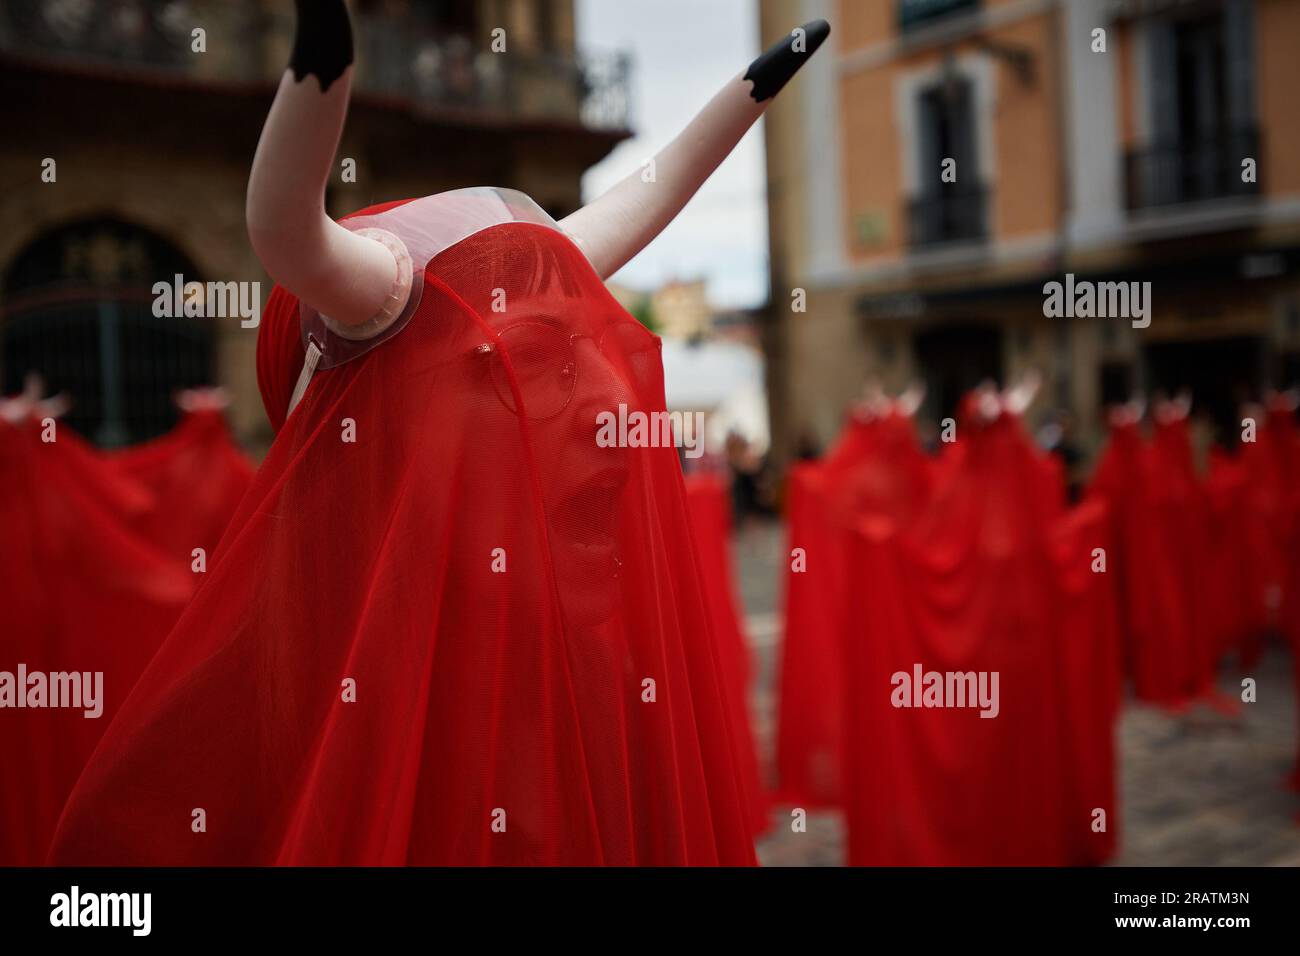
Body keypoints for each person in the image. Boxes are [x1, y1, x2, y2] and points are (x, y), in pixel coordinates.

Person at [48, 1, 829, 865]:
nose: (609, 407)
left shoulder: (605, 677)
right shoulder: (187, 787)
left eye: (580, 355)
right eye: (525, 360)